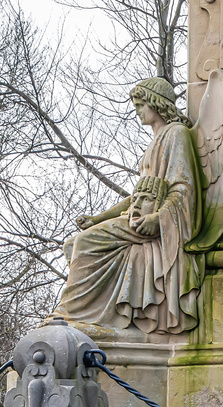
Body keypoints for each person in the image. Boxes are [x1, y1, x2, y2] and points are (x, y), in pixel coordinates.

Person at [55, 77, 205, 335]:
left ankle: (70, 315)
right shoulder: (154, 143)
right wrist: (99, 218)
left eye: (140, 104)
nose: (137, 110)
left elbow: (183, 187)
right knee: (72, 244)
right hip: (138, 216)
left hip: (156, 221)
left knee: (82, 244)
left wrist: (158, 219)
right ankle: (87, 314)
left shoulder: (176, 134)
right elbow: (137, 196)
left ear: (156, 104)